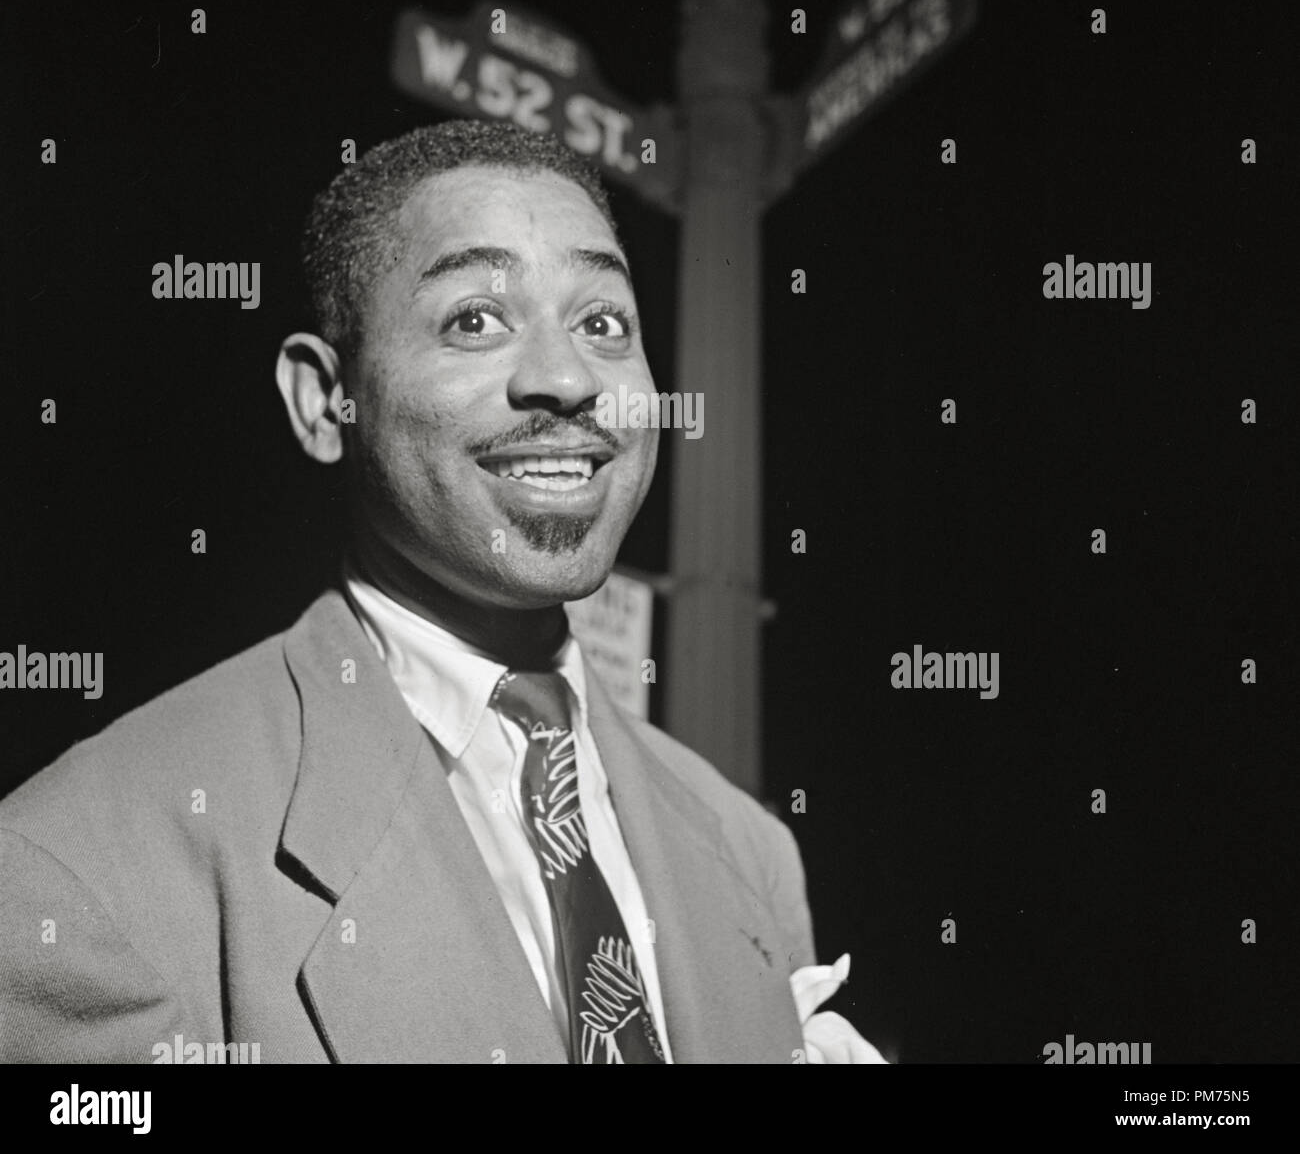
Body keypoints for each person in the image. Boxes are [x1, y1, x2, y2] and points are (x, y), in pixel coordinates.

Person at [0, 120, 882, 1064]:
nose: (567, 377)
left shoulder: (749, 852)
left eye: (603, 322)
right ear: (322, 401)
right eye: (475, 318)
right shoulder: (76, 872)